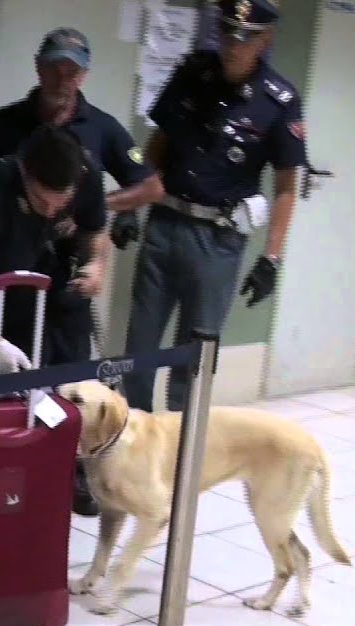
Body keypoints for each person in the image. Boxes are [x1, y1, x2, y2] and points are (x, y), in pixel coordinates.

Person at [0, 27, 165, 517]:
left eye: (72, 68)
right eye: (55, 65)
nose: (63, 76)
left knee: (69, 381)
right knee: (2, 377)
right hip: (4, 281)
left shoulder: (103, 127)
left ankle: (68, 472)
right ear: (39, 67)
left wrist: (90, 209)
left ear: (84, 74)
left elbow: (151, 186)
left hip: (66, 278)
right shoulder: (6, 124)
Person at [123, 0, 306, 412]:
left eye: (245, 37)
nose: (233, 44)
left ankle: (180, 460)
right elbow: (160, 141)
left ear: (266, 39)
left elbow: (286, 186)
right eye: (226, 33)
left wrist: (272, 258)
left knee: (195, 354)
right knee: (139, 346)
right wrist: (132, 205)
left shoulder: (279, 100)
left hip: (217, 241)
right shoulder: (193, 73)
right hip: (164, 224)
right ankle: (133, 447)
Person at [0, 125, 106, 383]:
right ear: (24, 170)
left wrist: (95, 265)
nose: (49, 212)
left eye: (59, 204)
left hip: (39, 288)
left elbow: (95, 231)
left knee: (59, 386)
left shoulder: (86, 173)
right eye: (40, 200)